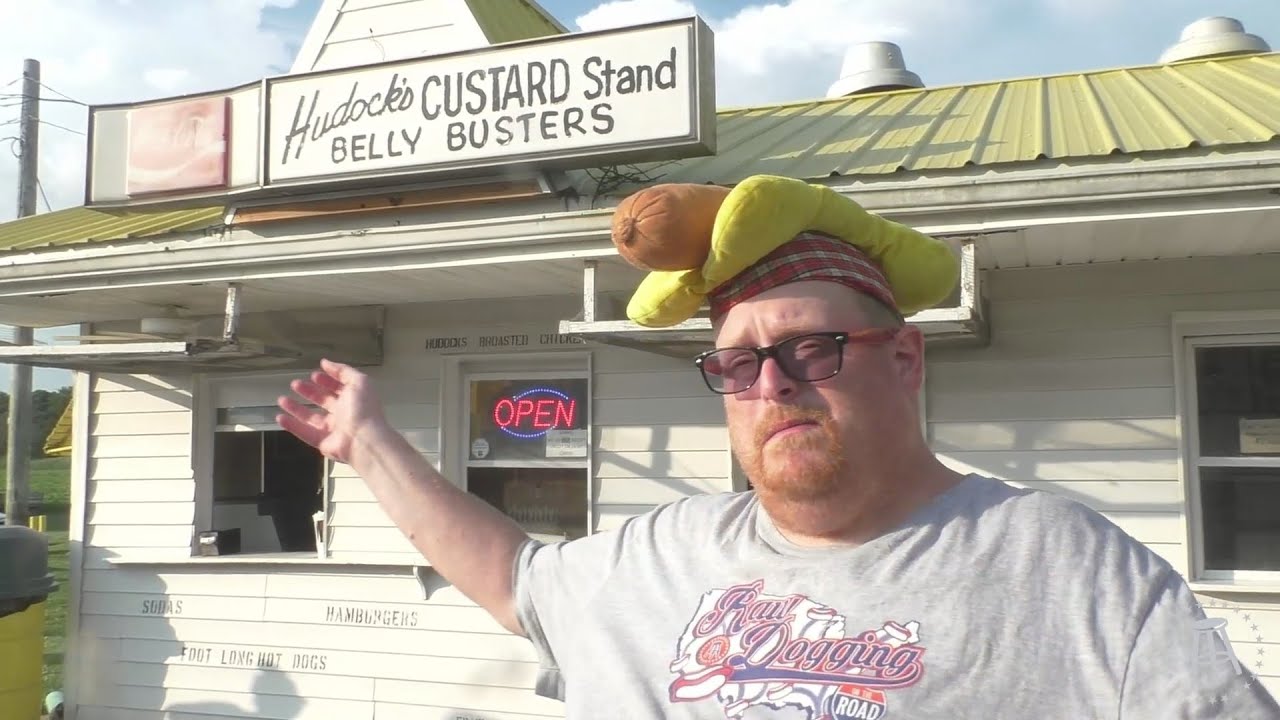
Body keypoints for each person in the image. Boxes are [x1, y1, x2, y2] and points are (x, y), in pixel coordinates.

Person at [277, 176, 1280, 719]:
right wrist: (367, 444)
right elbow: (512, 577)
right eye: (736, 364)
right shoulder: (657, 557)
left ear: (903, 360)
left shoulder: (1066, 569)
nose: (771, 386)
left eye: (811, 347)